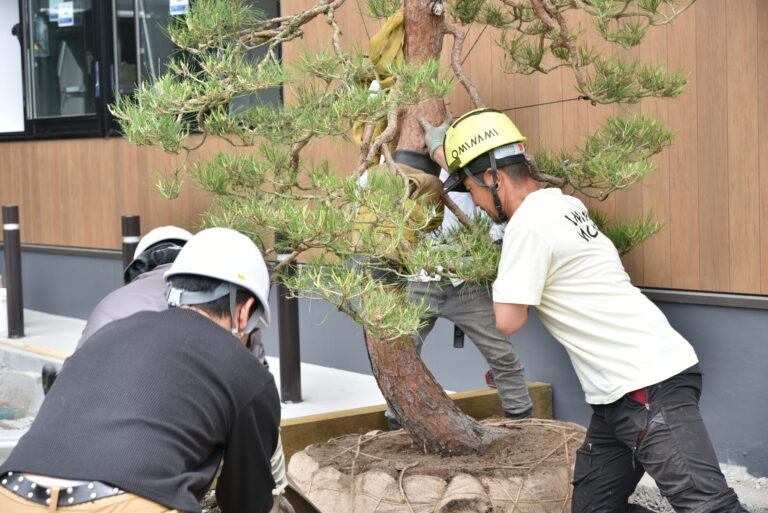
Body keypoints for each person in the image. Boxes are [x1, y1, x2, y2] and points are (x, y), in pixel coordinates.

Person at [421, 108, 747, 513]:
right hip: (617, 393)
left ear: (493, 178)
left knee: (708, 505)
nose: (474, 203)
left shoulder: (527, 227)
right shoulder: (561, 204)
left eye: (470, 190)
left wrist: (485, 270)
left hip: (645, 383)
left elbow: (508, 320)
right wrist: (443, 154)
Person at [1, 227, 281, 513]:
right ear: (244, 311)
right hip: (124, 503)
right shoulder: (245, 370)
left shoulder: (109, 334)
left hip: (11, 492)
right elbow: (246, 502)